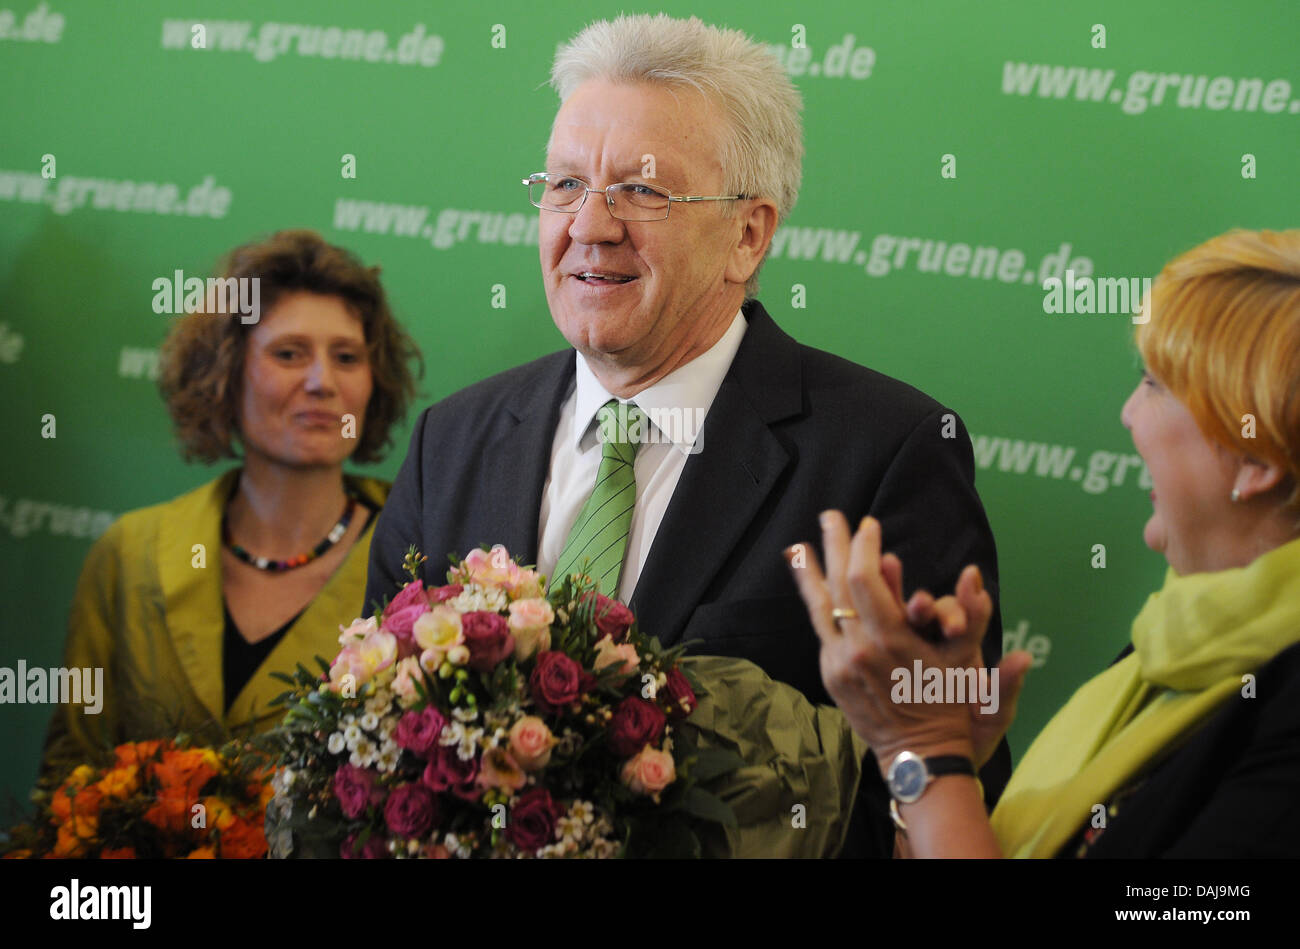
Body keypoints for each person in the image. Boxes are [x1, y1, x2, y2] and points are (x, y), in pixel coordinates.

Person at [363, 14, 1009, 857]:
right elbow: (372, 742)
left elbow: (947, 783)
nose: (590, 226)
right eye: (564, 185)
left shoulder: (886, 455)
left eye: (643, 190)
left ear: (749, 233)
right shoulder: (451, 441)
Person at [788, 228, 1300, 857]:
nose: (1128, 414)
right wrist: (946, 771)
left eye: (1157, 385)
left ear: (1256, 460)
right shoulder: (1168, 654)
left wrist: (925, 753)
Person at [39, 229, 422, 782]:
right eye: (289, 353)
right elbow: (67, 780)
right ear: (224, 372)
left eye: (346, 357)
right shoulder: (130, 553)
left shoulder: (421, 557)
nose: (321, 382)